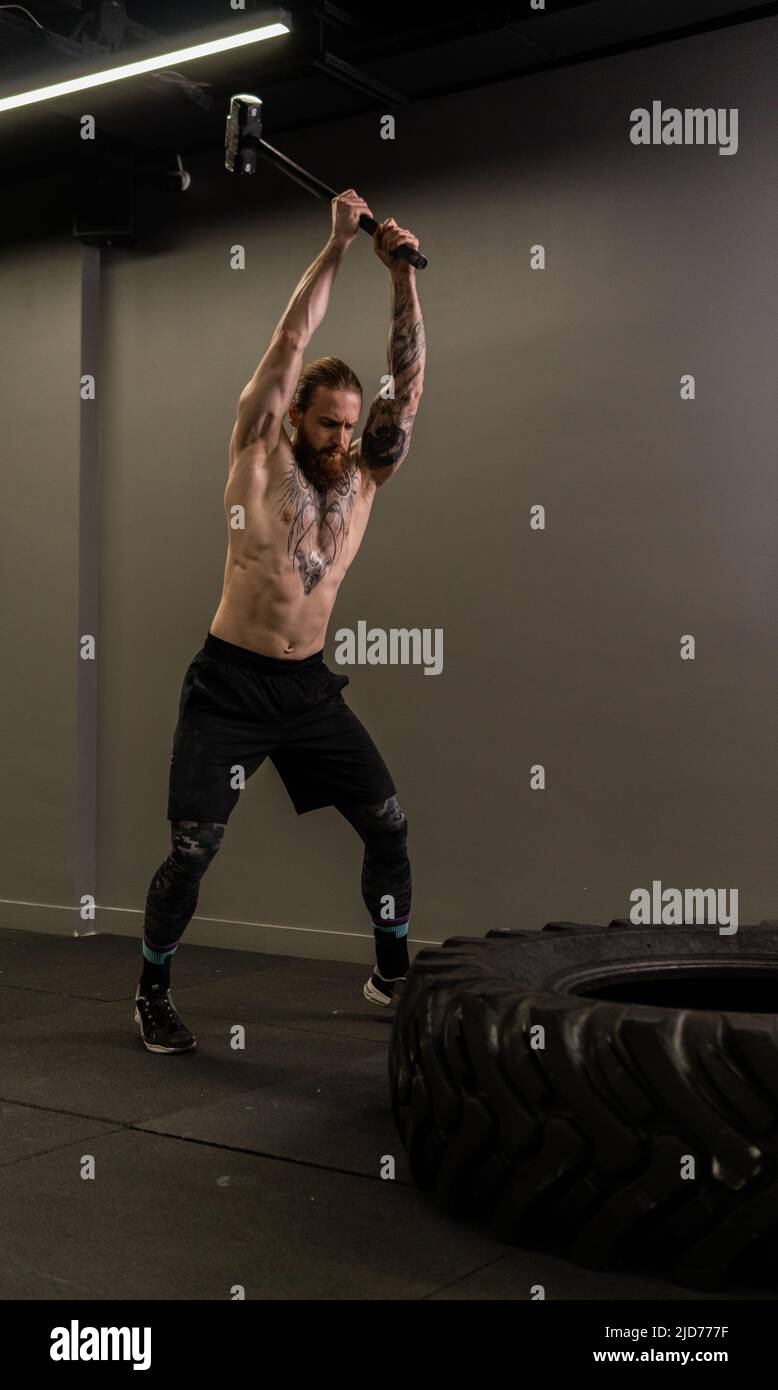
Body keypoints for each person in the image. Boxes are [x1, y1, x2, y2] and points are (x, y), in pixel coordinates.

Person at [134, 190, 426, 1053]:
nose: (342, 438)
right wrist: (338, 244)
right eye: (327, 422)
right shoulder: (259, 454)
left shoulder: (363, 479)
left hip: (306, 689)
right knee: (193, 850)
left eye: (349, 425)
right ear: (294, 413)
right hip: (230, 682)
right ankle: (152, 989)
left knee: (389, 825)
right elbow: (290, 342)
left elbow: (408, 386)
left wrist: (402, 275)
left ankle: (391, 972)